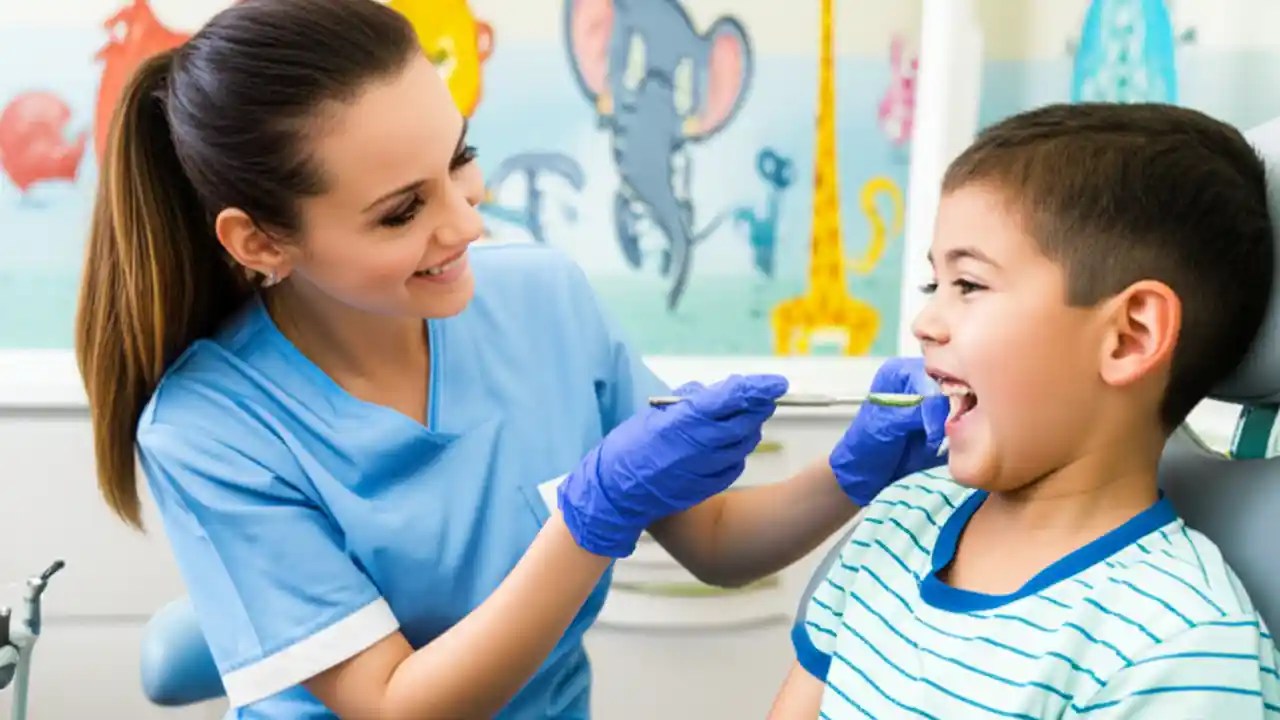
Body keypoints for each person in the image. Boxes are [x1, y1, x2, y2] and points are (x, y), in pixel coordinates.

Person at [72, 1, 948, 717]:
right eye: (399, 212)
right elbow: (394, 706)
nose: (466, 224)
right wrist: (589, 516)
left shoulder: (541, 298)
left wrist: (851, 467)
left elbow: (715, 543)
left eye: (461, 161)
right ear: (261, 241)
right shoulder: (208, 428)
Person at [769, 101, 1280, 719]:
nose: (925, 322)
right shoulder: (899, 523)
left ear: (1129, 337)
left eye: (970, 285)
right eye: (937, 285)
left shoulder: (1179, 646)